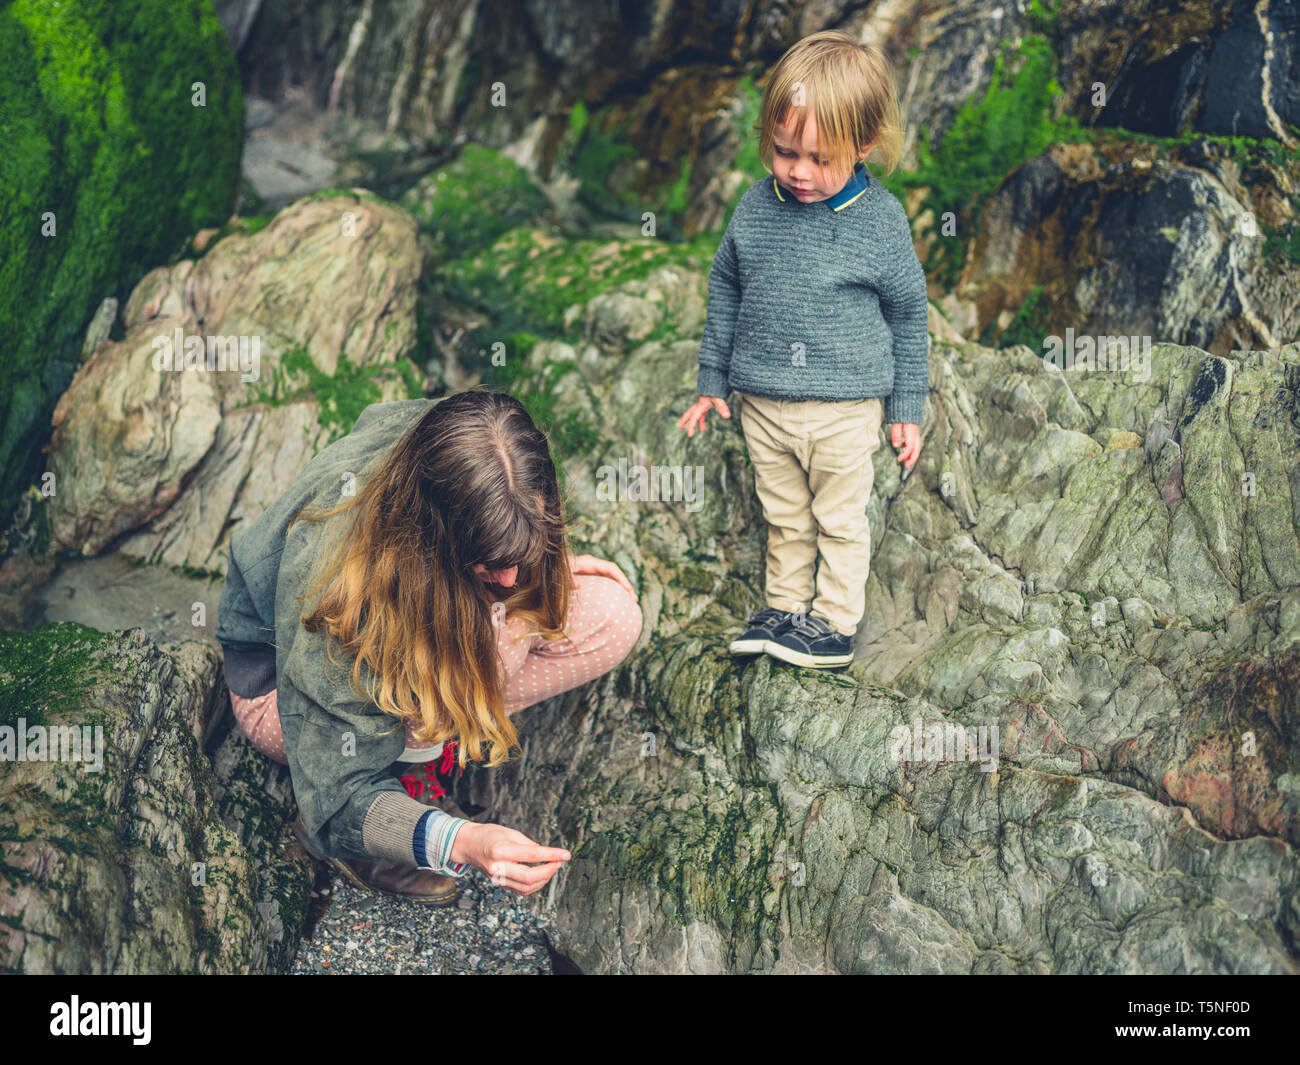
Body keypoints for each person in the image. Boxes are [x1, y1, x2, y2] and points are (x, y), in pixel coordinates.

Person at [215, 389, 642, 905]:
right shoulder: (337, 590)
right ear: (428, 534)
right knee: (456, 666)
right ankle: (396, 803)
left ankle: (437, 737)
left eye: (522, 550)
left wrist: (532, 560)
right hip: (281, 692)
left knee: (612, 615)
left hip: (424, 604)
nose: (510, 578)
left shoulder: (458, 439)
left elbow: (506, 554)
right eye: (488, 560)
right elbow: (336, 792)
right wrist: (462, 842)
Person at [677, 30, 929, 669]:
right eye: (785, 152)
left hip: (844, 412)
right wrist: (712, 380)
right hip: (762, 404)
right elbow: (727, 285)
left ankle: (834, 624)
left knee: (840, 520)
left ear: (863, 146)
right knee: (785, 515)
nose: (798, 171)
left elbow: (907, 312)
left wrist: (906, 406)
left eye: (820, 158)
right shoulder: (757, 207)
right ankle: (785, 609)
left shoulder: (880, 222)